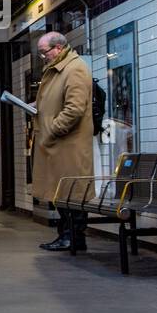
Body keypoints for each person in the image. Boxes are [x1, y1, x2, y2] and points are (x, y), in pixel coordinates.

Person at [32, 32, 95, 252]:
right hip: (59, 145)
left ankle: (73, 237)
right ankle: (66, 235)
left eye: (44, 52)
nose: (43, 57)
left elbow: (75, 109)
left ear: (58, 48)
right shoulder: (60, 69)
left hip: (69, 145)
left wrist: (52, 129)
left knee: (72, 194)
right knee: (61, 193)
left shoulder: (74, 69)